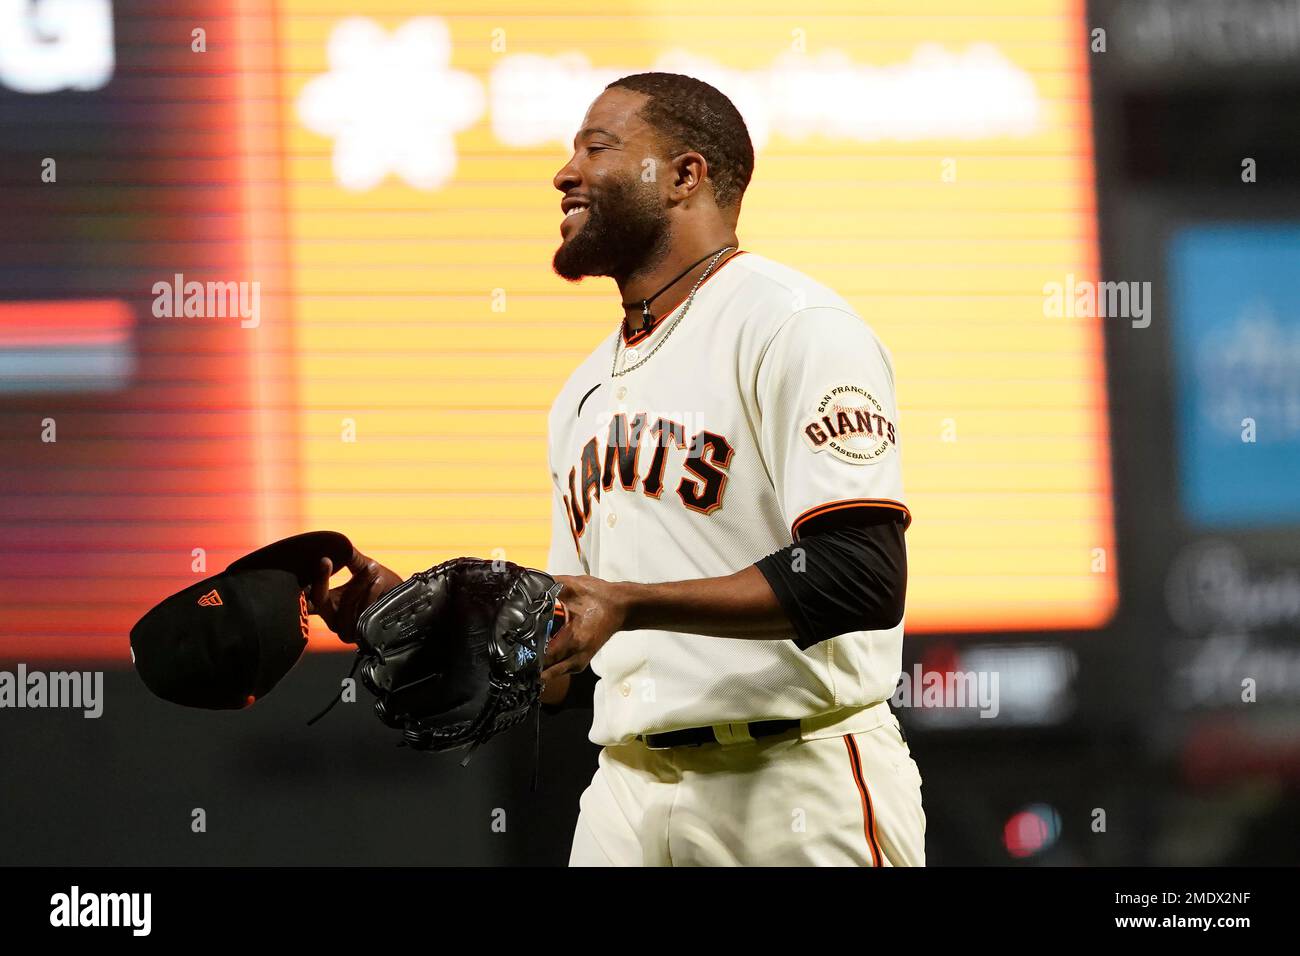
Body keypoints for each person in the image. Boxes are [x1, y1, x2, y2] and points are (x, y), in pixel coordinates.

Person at [537, 72, 925, 866]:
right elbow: (575, 651)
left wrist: (628, 603)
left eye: (597, 146)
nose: (565, 172)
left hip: (792, 779)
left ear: (685, 174)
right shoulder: (580, 392)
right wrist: (424, 626)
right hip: (624, 788)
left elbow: (861, 576)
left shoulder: (794, 327)